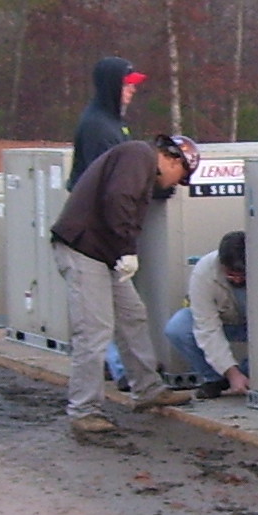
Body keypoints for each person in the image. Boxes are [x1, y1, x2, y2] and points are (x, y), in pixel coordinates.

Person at [51, 132, 197, 434]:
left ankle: (147, 388)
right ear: (172, 160)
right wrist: (127, 249)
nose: (175, 184)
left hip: (102, 252)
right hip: (83, 249)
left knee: (132, 315)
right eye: (181, 176)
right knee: (94, 331)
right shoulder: (138, 156)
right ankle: (84, 409)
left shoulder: (138, 161)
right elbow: (118, 198)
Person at [165, 229, 249, 395]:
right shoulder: (204, 271)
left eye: (242, 274)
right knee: (178, 327)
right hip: (227, 323)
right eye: (231, 274)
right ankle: (216, 379)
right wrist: (231, 372)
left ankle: (248, 375)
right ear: (222, 264)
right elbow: (207, 327)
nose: (237, 279)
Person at [72, 57, 147, 184]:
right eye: (127, 84)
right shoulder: (97, 126)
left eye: (133, 84)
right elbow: (106, 181)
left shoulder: (113, 120)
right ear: (112, 86)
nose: (132, 90)